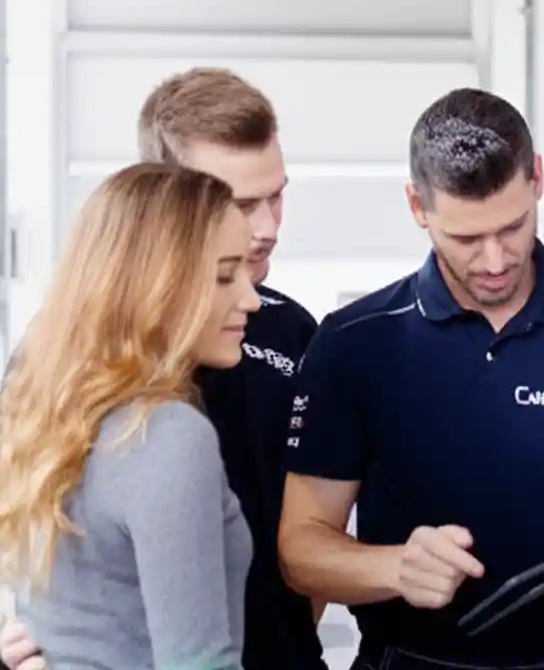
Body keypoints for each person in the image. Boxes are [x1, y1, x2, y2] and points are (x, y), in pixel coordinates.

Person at [276, 87, 544, 669]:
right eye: (466, 239)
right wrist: (395, 568)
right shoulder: (354, 343)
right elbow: (301, 546)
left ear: (535, 179)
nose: (496, 260)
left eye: (512, 226)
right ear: (417, 206)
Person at [0, 69, 327, 669]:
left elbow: (311, 537)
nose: (266, 228)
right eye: (237, 204)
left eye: (277, 195)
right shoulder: (55, 360)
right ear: (168, 206)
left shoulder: (295, 335)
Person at [0, 163, 261, 669]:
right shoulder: (168, 434)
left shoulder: (41, 404)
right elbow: (198, 664)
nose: (250, 298)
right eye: (225, 275)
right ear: (156, 284)